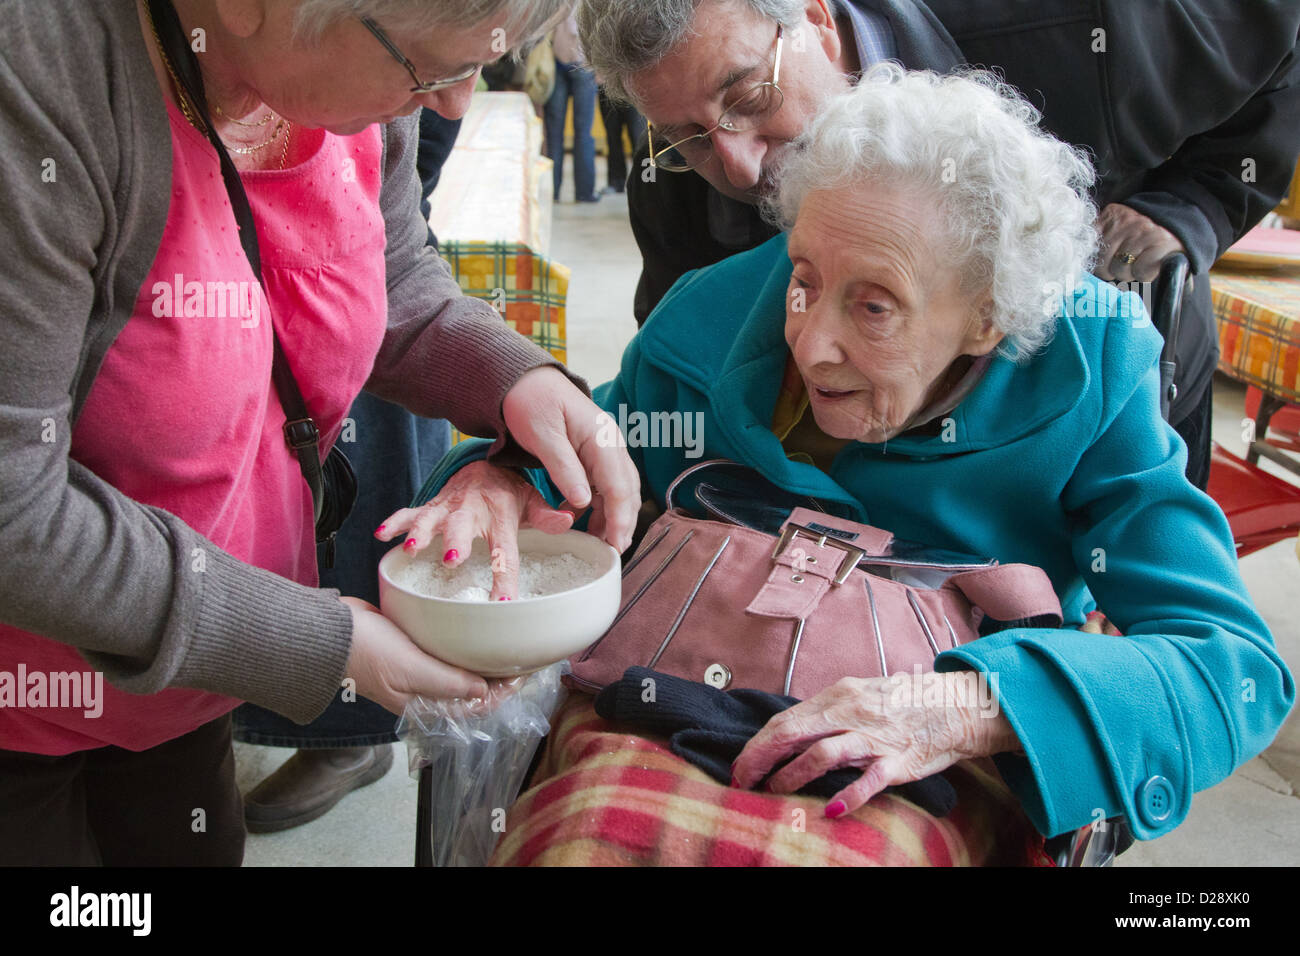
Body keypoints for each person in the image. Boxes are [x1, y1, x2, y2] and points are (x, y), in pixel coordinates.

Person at [385, 66, 1295, 865]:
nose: (811, 344)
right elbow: (586, 471)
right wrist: (503, 475)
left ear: (986, 317)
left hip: (919, 759)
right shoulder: (709, 318)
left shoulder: (1092, 371)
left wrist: (968, 707)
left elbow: (1231, 665)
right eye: (805, 278)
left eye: (874, 308)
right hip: (673, 704)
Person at [0, 0, 641, 866]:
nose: (456, 104)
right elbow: (14, 514)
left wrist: (513, 378)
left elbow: (394, 274)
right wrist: (315, 645)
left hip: (186, 676)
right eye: (428, 68)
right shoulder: (43, 80)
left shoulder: (346, 93)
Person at [576, 0, 1300, 491]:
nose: (736, 166)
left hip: (1109, 380)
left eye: (748, 98)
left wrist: (1194, 206)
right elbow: (680, 395)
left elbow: (1281, 34)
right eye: (686, 136)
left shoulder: (1084, 27)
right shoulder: (678, 177)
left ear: (818, 19)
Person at [234, 109, 465, 834]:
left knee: (354, 521)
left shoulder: (376, 114)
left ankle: (347, 733)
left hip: (336, 268)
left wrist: (517, 381)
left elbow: (401, 257)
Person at [544, 12, 600, 203]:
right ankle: (584, 193)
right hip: (584, 64)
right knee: (583, 132)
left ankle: (552, 191)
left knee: (554, 135)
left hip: (557, 62)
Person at [598, 89, 643, 194]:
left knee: (639, 140)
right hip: (608, 90)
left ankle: (646, 182)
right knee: (612, 138)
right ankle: (615, 183)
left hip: (635, 89)